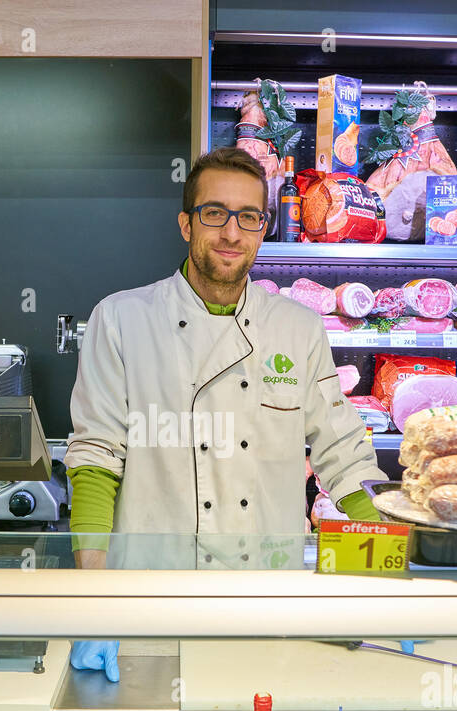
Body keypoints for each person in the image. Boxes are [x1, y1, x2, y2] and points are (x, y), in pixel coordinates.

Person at [64, 147, 386, 681]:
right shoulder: (121, 318)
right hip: (149, 600)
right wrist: (95, 599)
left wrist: (388, 581)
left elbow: (345, 460)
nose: (231, 233)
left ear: (263, 228)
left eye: (248, 217)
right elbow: (97, 457)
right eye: (214, 214)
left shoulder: (297, 329)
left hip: (264, 598)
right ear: (186, 223)